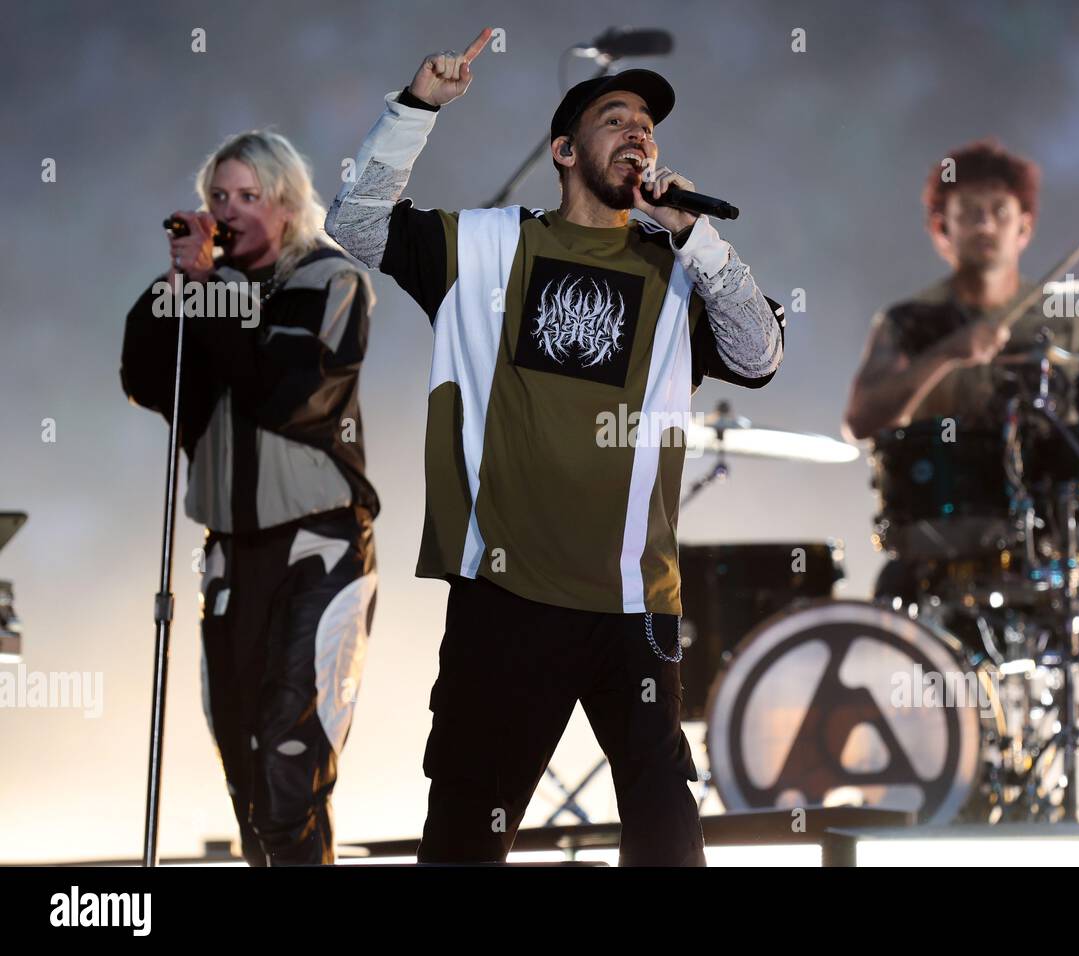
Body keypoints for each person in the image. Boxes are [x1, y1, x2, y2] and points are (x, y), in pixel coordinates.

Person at [326, 28, 784, 865]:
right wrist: (417, 109)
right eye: (616, 118)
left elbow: (759, 355)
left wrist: (700, 240)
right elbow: (354, 226)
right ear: (566, 150)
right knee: (467, 829)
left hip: (636, 604)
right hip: (507, 596)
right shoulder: (485, 245)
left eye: (648, 123)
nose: (639, 131)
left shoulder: (682, 271)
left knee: (665, 831)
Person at [842, 138, 1079, 813]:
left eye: (1000, 211)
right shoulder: (910, 323)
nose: (986, 224)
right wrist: (945, 355)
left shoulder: (1068, 323)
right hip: (946, 555)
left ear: (1025, 226)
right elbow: (860, 421)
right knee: (889, 600)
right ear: (943, 230)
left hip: (1054, 551)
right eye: (969, 213)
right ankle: (905, 792)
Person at [121, 130, 379, 864]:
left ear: (288, 202)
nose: (227, 212)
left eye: (247, 197)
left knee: (289, 762)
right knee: (243, 764)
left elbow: (286, 393)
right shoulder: (204, 287)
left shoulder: (329, 281)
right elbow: (147, 381)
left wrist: (211, 296)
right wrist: (172, 295)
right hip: (231, 551)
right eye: (217, 198)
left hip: (317, 547)